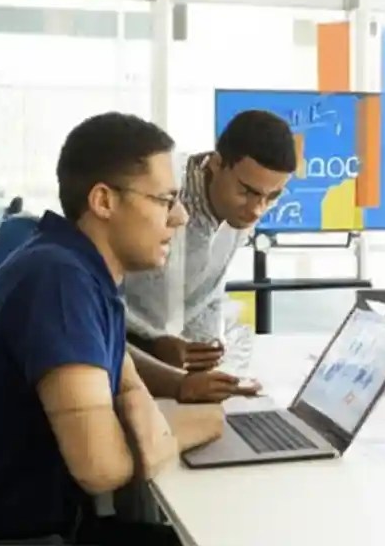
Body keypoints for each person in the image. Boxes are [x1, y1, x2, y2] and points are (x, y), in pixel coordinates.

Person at [0, 112, 225, 544]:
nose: (181, 217)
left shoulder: (79, 267)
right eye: (165, 200)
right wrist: (209, 423)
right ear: (103, 201)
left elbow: (129, 389)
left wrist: (159, 419)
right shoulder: (59, 281)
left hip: (45, 527)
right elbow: (101, 468)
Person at [123, 109, 297, 403]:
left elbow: (207, 292)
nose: (257, 210)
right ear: (216, 164)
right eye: (247, 191)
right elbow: (95, 296)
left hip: (172, 377)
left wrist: (212, 365)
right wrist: (150, 344)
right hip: (120, 364)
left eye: (272, 197)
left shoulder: (238, 212)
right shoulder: (160, 190)